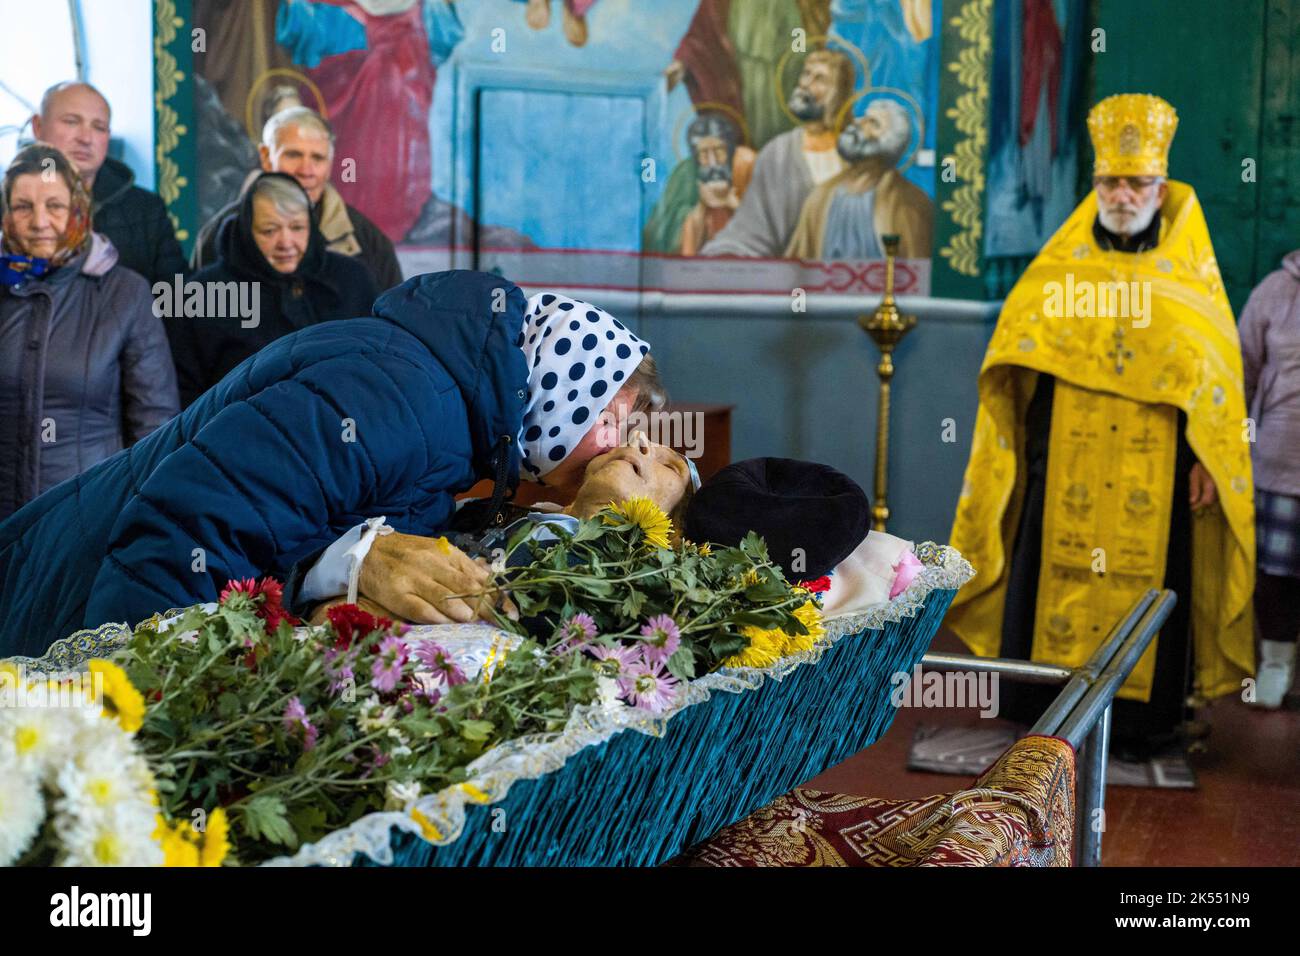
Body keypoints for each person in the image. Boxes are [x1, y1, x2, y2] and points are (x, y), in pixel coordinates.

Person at [0, 272, 659, 659]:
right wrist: (142, 747)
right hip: (58, 610)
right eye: (617, 422)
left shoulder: (452, 416)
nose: (618, 449)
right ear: (572, 392)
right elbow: (183, 537)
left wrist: (346, 558)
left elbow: (301, 521)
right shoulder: (403, 395)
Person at [948, 94, 1255, 758]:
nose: (1122, 194)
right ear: (1095, 186)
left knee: (1150, 581)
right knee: (1049, 573)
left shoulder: (1190, 281)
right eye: (1110, 182)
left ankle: (1143, 724)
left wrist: (1209, 457)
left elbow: (1216, 385)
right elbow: (1014, 354)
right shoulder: (1060, 271)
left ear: (1161, 188)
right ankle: (1043, 710)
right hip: (1065, 462)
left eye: (1136, 182)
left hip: (1159, 468)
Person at [0, 143, 178, 521]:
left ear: (78, 209)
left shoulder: (124, 293)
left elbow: (155, 425)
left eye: (55, 205)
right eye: (23, 206)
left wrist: (138, 521)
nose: (40, 221)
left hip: (87, 520)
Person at [169, 172, 378, 406]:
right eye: (269, 231)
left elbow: (375, 368)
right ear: (247, 229)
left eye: (298, 227)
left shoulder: (351, 279)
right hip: (239, 435)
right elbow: (183, 394)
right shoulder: (204, 294)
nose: (286, 242)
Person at [190, 107, 403, 291]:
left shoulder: (368, 240)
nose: (306, 170)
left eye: (317, 158)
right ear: (265, 156)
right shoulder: (218, 235)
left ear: (330, 165)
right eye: (293, 155)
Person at [700, 48, 855, 259]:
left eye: (820, 79)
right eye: (806, 74)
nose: (805, 84)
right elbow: (753, 227)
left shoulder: (856, 154)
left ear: (838, 93)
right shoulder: (777, 153)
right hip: (789, 274)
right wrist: (724, 253)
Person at [30, 82, 187, 287]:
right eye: (71, 122)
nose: (86, 138)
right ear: (38, 127)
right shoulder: (7, 204)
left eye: (99, 127)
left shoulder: (145, 210)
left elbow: (177, 302)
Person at [1239, 249, 1300, 707]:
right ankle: (1275, 666)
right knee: (1274, 576)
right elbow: (1243, 368)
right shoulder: (1274, 291)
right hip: (1280, 461)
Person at [785, 98, 933, 260]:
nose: (858, 122)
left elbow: (917, 266)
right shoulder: (820, 197)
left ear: (891, 143)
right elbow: (797, 266)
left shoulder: (910, 203)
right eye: (863, 117)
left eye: (873, 123)